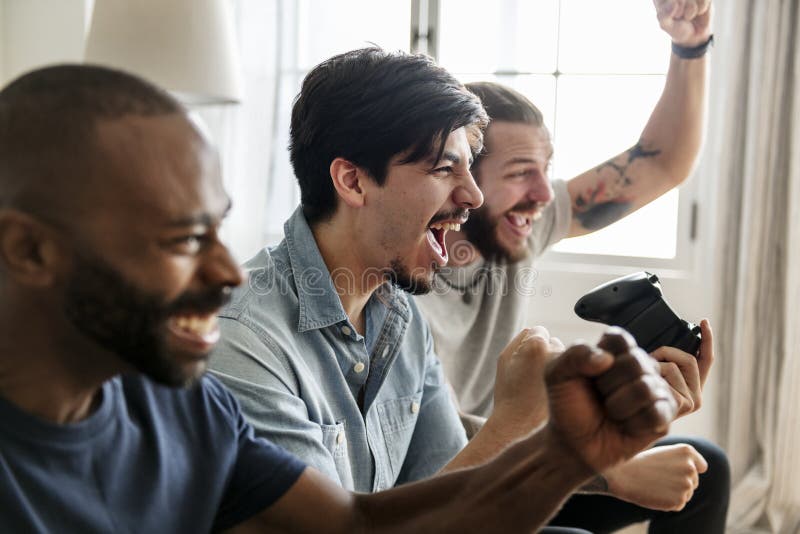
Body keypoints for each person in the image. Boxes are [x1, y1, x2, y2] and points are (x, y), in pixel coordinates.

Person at [0, 64, 677, 533]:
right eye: (182, 239)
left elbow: (364, 525)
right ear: (29, 252)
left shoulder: (185, 403)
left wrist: (572, 453)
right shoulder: (237, 345)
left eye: (216, 227)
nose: (227, 274)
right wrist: (522, 432)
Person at [414, 0, 730, 532]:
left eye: (547, 170)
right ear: (457, 177)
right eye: (520, 173)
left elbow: (662, 160)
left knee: (706, 468)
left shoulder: (517, 224)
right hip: (449, 477)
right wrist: (606, 465)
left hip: (518, 450)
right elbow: (439, 447)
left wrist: (688, 45)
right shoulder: (403, 280)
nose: (543, 195)